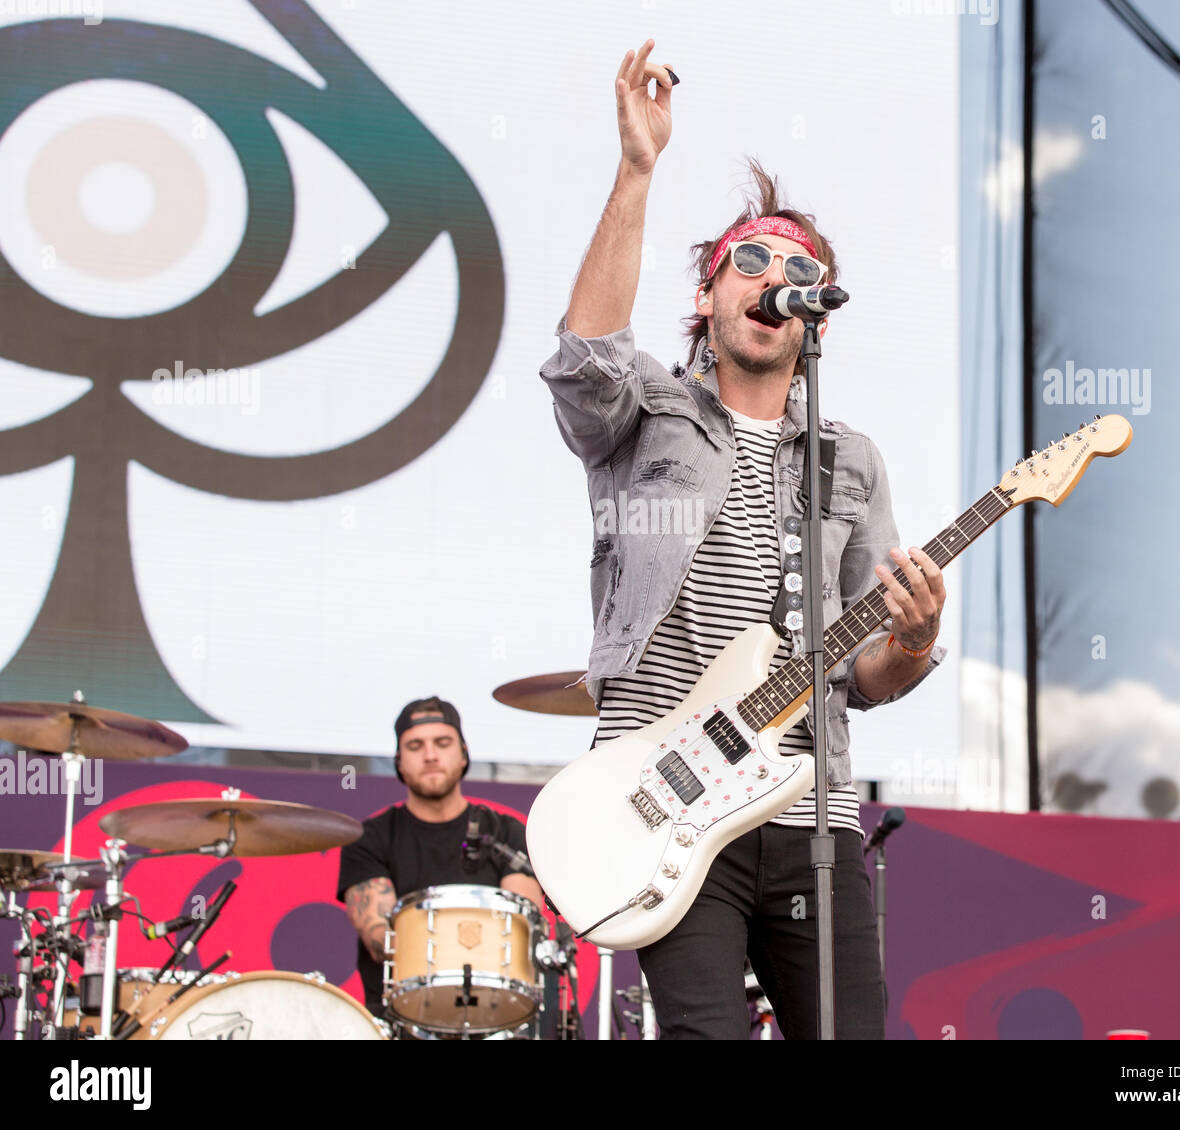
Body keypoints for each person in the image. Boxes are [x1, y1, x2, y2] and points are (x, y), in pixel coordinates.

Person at [538, 40, 947, 1040]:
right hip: (667, 796)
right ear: (708, 295)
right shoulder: (646, 413)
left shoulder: (849, 460)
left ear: (814, 320)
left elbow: (866, 671)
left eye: (799, 271)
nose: (775, 280)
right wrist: (638, 168)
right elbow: (584, 357)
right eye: (751, 262)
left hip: (807, 811)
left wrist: (916, 639)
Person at [336, 696, 544, 1018]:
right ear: (399, 761)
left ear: (463, 754)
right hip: (400, 1019)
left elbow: (524, 927)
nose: (430, 755)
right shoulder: (369, 839)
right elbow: (380, 940)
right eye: (415, 746)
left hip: (498, 1016)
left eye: (442, 743)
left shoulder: (507, 832)